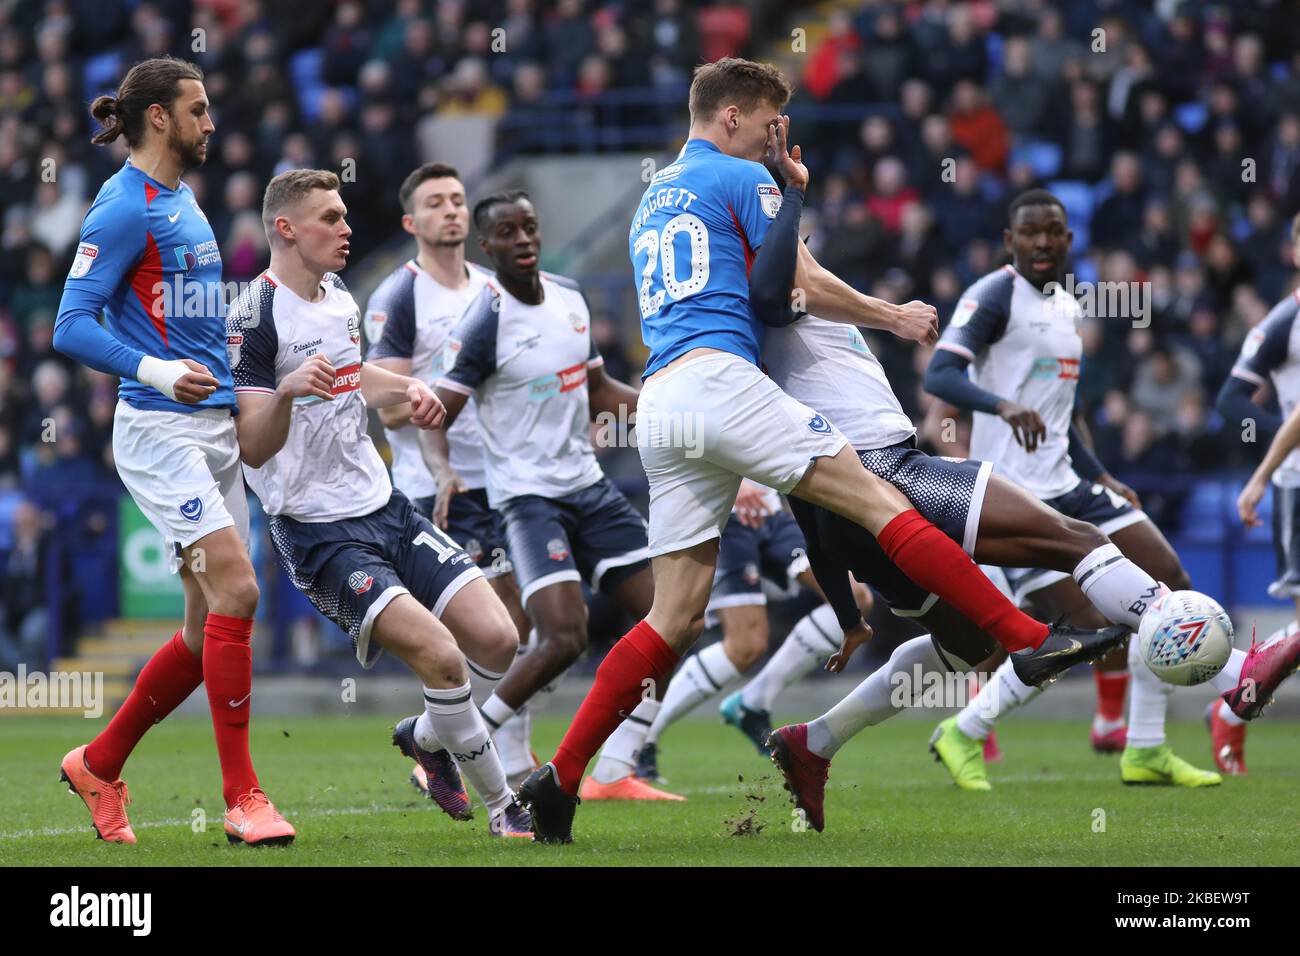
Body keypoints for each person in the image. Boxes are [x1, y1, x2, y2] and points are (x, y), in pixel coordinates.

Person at [517, 58, 1127, 844]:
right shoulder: (741, 176)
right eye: (772, 122)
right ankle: (1029, 640)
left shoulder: (651, 199)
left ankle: (561, 778)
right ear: (731, 117)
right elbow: (794, 282)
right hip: (721, 380)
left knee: (672, 620)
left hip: (662, 398)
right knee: (883, 503)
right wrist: (891, 314)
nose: (781, 137)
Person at [228, 168, 531, 837]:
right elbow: (252, 446)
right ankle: (508, 810)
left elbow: (348, 375)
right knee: (445, 658)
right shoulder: (255, 313)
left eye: (344, 215)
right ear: (286, 229)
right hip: (319, 533)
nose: (346, 228)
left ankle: (427, 737)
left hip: (385, 505)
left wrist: (403, 389)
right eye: (330, 219)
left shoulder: (337, 295)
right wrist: (286, 393)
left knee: (500, 639)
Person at [918, 189, 1251, 790]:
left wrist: (1099, 471)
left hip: (1073, 484)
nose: (1043, 242)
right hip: (1014, 500)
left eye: (1053, 232)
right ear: (1009, 241)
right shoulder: (993, 296)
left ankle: (1146, 747)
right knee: (1092, 628)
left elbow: (1061, 413)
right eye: (1030, 232)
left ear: (1069, 240)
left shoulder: (1071, 307)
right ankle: (966, 729)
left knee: (1170, 583)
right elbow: (940, 372)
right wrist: (1001, 404)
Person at [53, 56, 293, 846]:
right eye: (198, 109)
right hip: (157, 429)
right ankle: (244, 798)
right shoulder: (121, 207)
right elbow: (72, 323)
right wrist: (156, 368)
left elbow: (184, 313)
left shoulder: (183, 200)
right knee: (240, 588)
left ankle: (99, 760)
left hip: (213, 426)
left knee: (204, 632)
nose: (211, 122)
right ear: (158, 117)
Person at [428, 190, 679, 802]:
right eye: (507, 233)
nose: (522, 240)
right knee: (564, 635)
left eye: (529, 228)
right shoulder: (483, 320)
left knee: (674, 620)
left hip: (588, 489)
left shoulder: (568, 296)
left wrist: (667, 409)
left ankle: (616, 767)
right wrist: (440, 472)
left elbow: (597, 388)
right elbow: (437, 412)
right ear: (486, 248)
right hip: (528, 500)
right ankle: (465, 744)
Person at [363, 162, 536, 798]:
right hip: (438, 488)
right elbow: (384, 404)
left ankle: (447, 741)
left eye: (458, 200)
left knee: (524, 623)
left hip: (509, 478)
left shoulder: (496, 290)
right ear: (411, 222)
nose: (451, 211)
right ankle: (488, 755)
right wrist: (440, 449)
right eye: (435, 203)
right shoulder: (397, 296)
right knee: (482, 630)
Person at [635, 479, 873, 780]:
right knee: (746, 645)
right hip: (724, 516)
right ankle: (644, 738)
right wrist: (735, 475)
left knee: (856, 600)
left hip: (769, 509)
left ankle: (754, 701)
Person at [1220, 214, 1300, 774]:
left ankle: (1232, 704)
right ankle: (1233, 706)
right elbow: (1231, 398)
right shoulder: (1284, 322)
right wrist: (1275, 449)